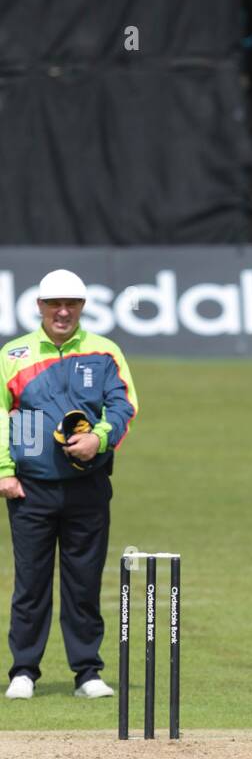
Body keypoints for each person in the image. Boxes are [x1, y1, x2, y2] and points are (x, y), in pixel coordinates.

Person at [0, 269, 138, 701]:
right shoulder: (14, 353)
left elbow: (125, 404)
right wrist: (4, 470)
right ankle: (23, 671)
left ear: (82, 307)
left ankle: (87, 673)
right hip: (30, 488)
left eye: (72, 304)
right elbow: (2, 415)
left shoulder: (104, 351)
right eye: (54, 304)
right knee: (31, 583)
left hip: (88, 485)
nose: (63, 311)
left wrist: (98, 437)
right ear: (39, 306)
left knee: (84, 581)